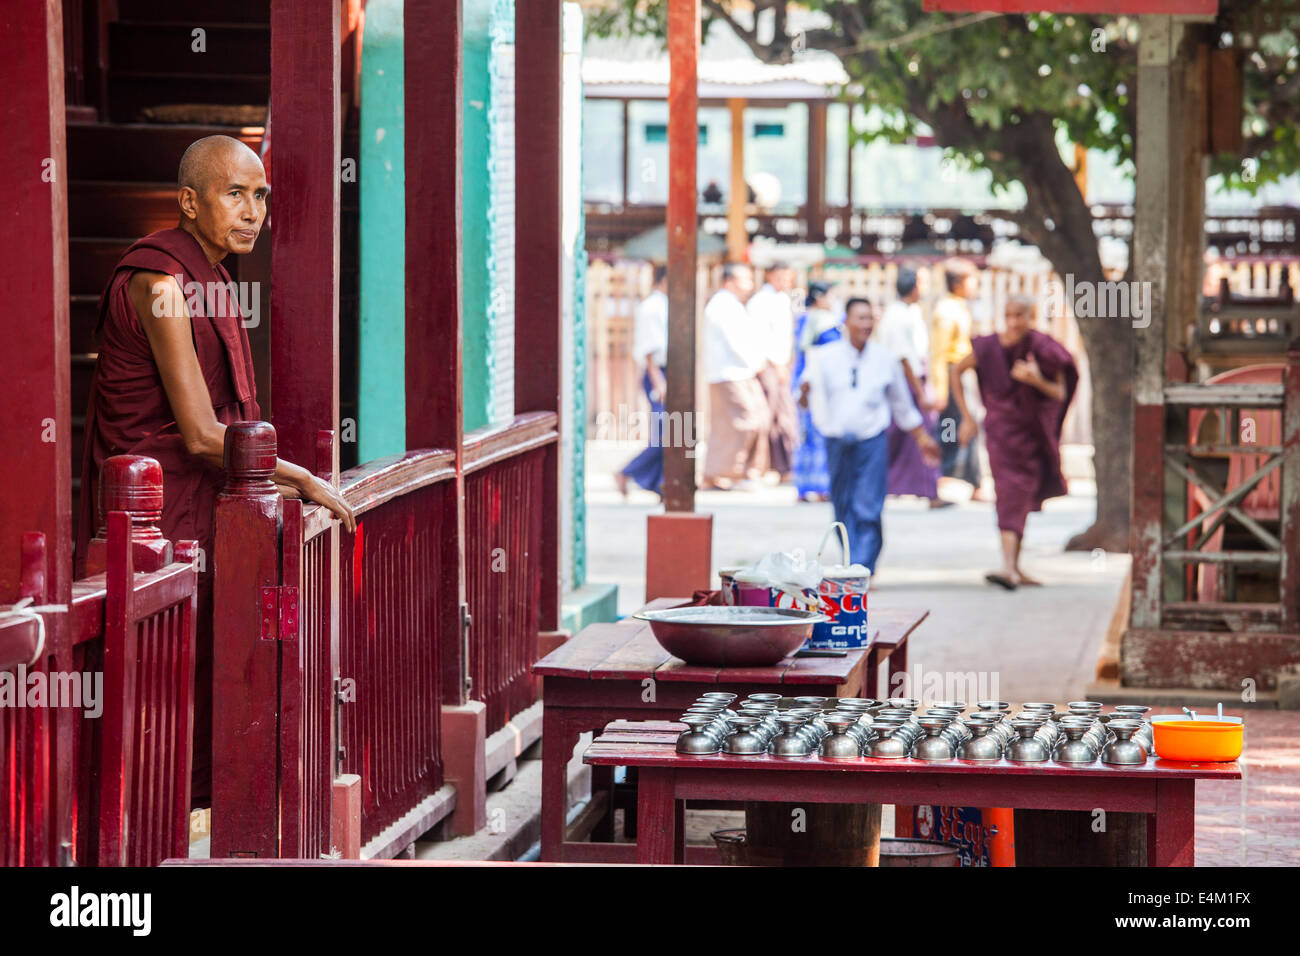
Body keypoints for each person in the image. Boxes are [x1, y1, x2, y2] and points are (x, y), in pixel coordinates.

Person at [75, 135, 356, 809]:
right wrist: (305, 481)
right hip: (153, 508)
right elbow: (202, 436)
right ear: (188, 202)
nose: (252, 210)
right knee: (164, 662)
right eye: (234, 194)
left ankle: (201, 809)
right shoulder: (163, 284)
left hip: (200, 501)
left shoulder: (219, 277)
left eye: (259, 196)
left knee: (216, 655)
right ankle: (146, 812)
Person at [949, 295, 1078, 589]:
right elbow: (956, 371)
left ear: (1031, 315)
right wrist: (967, 417)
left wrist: (1035, 381)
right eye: (1009, 315)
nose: (1014, 322)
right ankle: (1009, 567)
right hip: (1001, 433)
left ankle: (1014, 567)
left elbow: (1059, 392)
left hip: (1031, 435)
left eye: (1020, 315)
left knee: (1022, 497)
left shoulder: (1042, 347)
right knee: (1009, 494)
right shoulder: (989, 347)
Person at [805, 298, 941, 572]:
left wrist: (923, 438)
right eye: (860, 318)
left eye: (870, 318)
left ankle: (862, 567)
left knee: (868, 504)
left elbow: (902, 405)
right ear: (846, 321)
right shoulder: (824, 357)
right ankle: (852, 561)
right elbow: (806, 396)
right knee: (843, 505)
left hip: (873, 442)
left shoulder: (884, 358)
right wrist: (804, 396)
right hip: (837, 441)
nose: (866, 324)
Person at [875, 267, 946, 508]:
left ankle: (923, 487)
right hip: (906, 382)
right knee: (919, 433)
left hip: (913, 379)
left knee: (905, 438)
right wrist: (920, 391)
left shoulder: (909, 312)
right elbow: (904, 358)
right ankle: (927, 489)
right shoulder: (897, 316)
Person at [702, 263, 769, 490]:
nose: (750, 285)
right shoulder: (722, 306)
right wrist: (757, 364)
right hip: (730, 373)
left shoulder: (733, 305)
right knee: (746, 421)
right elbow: (737, 342)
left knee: (747, 420)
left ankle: (724, 472)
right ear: (729, 281)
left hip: (739, 372)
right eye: (745, 280)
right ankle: (734, 472)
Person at [931, 258, 985, 497]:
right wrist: (941, 389)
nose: (976, 286)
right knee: (954, 424)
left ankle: (968, 478)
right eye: (972, 281)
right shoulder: (946, 310)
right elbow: (938, 353)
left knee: (962, 423)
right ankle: (953, 475)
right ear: (958, 283)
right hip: (952, 374)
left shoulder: (959, 307)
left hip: (962, 373)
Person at [615, 264, 668, 498]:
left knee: (676, 432)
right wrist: (659, 382)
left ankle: (659, 484)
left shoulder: (665, 305)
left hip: (667, 372)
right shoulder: (652, 307)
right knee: (667, 433)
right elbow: (649, 350)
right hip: (658, 373)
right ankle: (628, 471)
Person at [747, 262, 799, 480]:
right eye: (781, 276)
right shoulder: (761, 301)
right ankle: (763, 466)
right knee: (777, 416)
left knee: (781, 417)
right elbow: (760, 337)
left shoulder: (783, 299)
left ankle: (781, 467)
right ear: (770, 276)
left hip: (782, 365)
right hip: (769, 365)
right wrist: (777, 366)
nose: (785, 281)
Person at [791, 280, 840, 501]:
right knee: (821, 434)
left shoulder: (804, 319)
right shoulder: (826, 323)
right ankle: (822, 487)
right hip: (817, 382)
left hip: (802, 380)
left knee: (806, 435)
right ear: (821, 297)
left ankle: (804, 486)